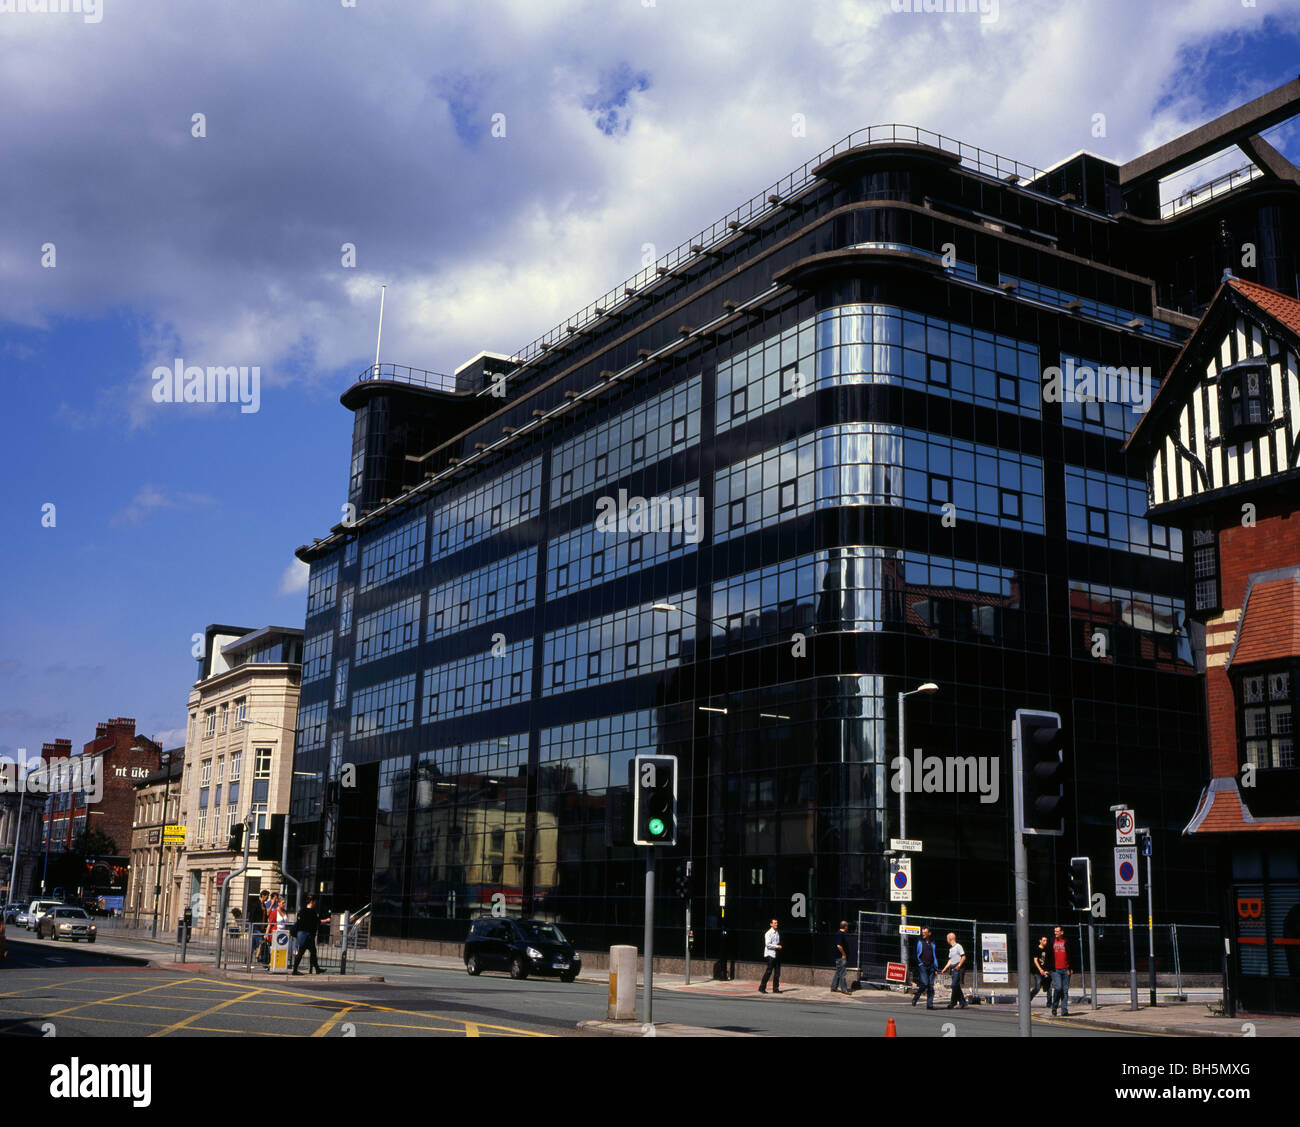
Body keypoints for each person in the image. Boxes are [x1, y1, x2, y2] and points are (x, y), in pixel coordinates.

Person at [293, 895, 324, 975]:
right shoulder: (312, 912)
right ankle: (295, 970)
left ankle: (316, 968)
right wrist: (327, 920)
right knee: (308, 952)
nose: (315, 904)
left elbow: (299, 923)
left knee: (308, 951)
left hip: (302, 935)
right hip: (308, 935)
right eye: (315, 902)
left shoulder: (301, 911)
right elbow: (317, 922)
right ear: (312, 902)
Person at [912, 926, 940, 1008]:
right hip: (923, 965)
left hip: (931, 966)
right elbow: (914, 954)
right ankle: (916, 997)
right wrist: (918, 963)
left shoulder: (933, 943)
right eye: (922, 932)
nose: (923, 934)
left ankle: (929, 1004)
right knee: (924, 983)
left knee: (931, 985)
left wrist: (935, 967)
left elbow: (935, 955)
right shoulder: (919, 942)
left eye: (925, 932)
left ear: (929, 933)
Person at [1050, 924, 1073, 1016]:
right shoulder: (1052, 941)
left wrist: (1071, 968)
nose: (1055, 933)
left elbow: (1071, 955)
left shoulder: (1067, 942)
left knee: (1065, 990)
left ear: (1062, 932)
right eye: (1055, 931)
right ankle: (1054, 1007)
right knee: (1058, 988)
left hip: (1066, 969)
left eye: (1057, 931)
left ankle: (1064, 1010)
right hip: (1055, 970)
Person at [940, 931, 967, 1009]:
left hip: (958, 968)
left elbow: (963, 957)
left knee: (954, 985)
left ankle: (953, 1002)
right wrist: (944, 968)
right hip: (953, 969)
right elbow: (950, 960)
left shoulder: (958, 946)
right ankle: (962, 1002)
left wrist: (959, 965)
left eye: (947, 939)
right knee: (956, 986)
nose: (946, 940)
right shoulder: (951, 949)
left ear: (950, 939)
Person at [758, 918, 782, 993]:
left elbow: (777, 941)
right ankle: (762, 987)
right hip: (770, 955)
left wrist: (777, 947)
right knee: (769, 972)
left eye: (777, 923)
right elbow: (768, 945)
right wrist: (777, 946)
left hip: (776, 954)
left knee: (777, 973)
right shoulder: (768, 933)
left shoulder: (777, 932)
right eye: (775, 923)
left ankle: (775, 988)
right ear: (771, 924)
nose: (776, 924)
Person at [1028, 935, 1051, 1007]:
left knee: (1049, 988)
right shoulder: (1036, 949)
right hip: (1037, 971)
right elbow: (1035, 960)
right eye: (1044, 940)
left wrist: (1047, 970)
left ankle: (1049, 1003)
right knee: (1037, 987)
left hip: (1045, 971)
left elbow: (1048, 961)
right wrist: (1040, 969)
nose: (1045, 942)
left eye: (1046, 940)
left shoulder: (1047, 949)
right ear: (1040, 941)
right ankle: (1028, 999)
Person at [829, 921, 851, 994]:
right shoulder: (840, 934)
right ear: (845, 927)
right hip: (840, 957)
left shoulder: (841, 934)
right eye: (847, 926)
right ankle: (844, 989)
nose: (848, 927)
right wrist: (844, 954)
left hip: (840, 956)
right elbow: (838, 945)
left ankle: (833, 987)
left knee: (838, 972)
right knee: (842, 973)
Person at [249, 890, 269, 964]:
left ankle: (247, 960)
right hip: (256, 927)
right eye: (267, 896)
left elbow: (265, 916)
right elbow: (252, 916)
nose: (267, 898)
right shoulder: (256, 904)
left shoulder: (263, 905)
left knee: (253, 946)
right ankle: (259, 958)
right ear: (263, 896)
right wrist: (252, 925)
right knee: (261, 942)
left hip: (262, 928)